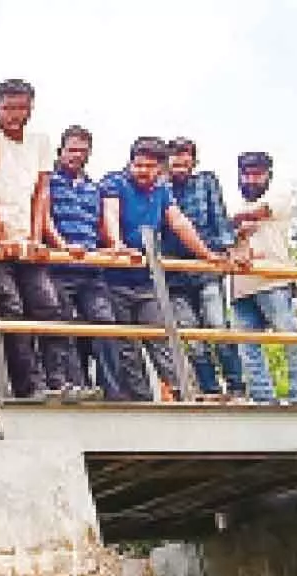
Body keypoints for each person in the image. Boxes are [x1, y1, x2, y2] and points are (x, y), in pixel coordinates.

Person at [99, 136, 224, 400]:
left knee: (162, 336)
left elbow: (179, 223)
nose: (142, 171)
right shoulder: (115, 182)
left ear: (161, 169)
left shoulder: (162, 191)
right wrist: (117, 244)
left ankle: (183, 392)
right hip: (116, 278)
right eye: (138, 165)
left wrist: (207, 254)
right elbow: (110, 212)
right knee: (126, 344)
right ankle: (141, 399)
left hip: (148, 279)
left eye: (149, 166)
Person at [0, 78, 71, 398]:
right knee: (11, 309)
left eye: (21, 108)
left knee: (48, 305)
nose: (14, 114)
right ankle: (29, 385)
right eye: (8, 108)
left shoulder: (40, 141)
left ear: (31, 108)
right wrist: (1, 237)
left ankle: (58, 381)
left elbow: (42, 192)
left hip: (28, 239)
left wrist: (37, 237)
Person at [44, 125, 122, 399]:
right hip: (59, 267)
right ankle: (77, 387)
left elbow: (100, 226)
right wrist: (62, 246)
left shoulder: (93, 188)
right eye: (72, 150)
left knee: (105, 324)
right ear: (61, 151)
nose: (77, 155)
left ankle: (111, 391)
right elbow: (44, 219)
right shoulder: (49, 181)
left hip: (90, 268)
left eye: (83, 151)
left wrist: (113, 247)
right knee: (66, 328)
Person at [165, 137, 245, 399]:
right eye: (175, 155)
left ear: (193, 160)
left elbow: (219, 218)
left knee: (217, 325)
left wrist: (230, 249)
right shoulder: (160, 188)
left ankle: (236, 386)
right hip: (173, 272)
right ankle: (210, 389)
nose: (180, 160)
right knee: (192, 335)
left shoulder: (206, 182)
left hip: (207, 265)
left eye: (185, 155)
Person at [230, 151, 297, 404]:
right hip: (241, 285)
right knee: (247, 345)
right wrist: (236, 230)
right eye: (247, 174)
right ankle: (262, 396)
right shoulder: (235, 206)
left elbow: (260, 211)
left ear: (268, 176)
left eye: (257, 174)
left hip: (274, 279)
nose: (251, 180)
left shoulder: (279, 197)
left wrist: (231, 222)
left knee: (290, 337)